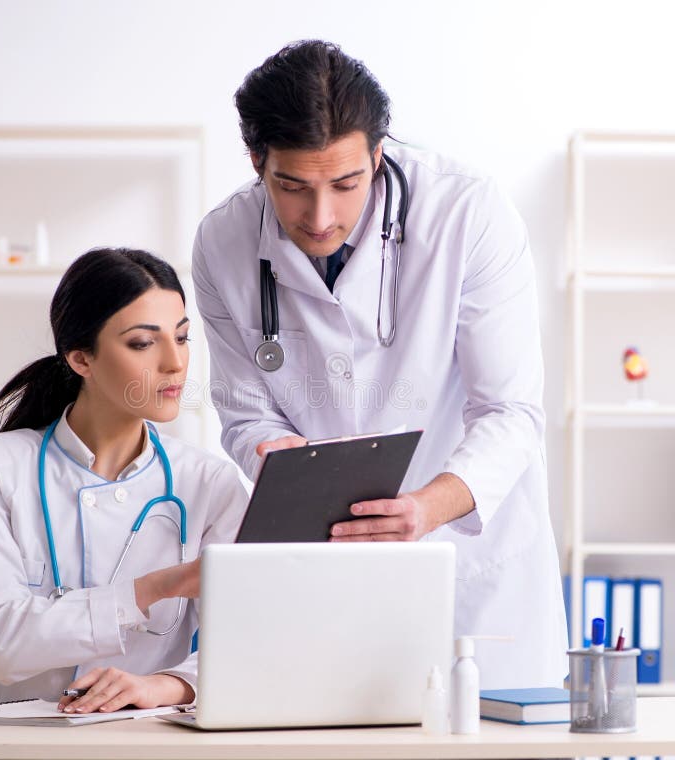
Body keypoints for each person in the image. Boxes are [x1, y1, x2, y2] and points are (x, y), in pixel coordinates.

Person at [193, 40, 568, 689]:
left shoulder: (467, 214)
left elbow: (510, 412)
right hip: (329, 561)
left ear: (378, 153)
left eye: (345, 184)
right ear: (257, 162)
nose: (321, 217)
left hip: (471, 564)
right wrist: (282, 460)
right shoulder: (222, 244)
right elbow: (243, 410)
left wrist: (425, 508)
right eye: (292, 187)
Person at [0, 248, 248, 711]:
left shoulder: (209, 482)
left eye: (183, 337)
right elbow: (2, 643)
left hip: (142, 736)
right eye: (143, 343)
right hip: (7, 735)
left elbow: (245, 641)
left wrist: (163, 686)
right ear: (81, 359)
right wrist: (156, 587)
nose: (175, 363)